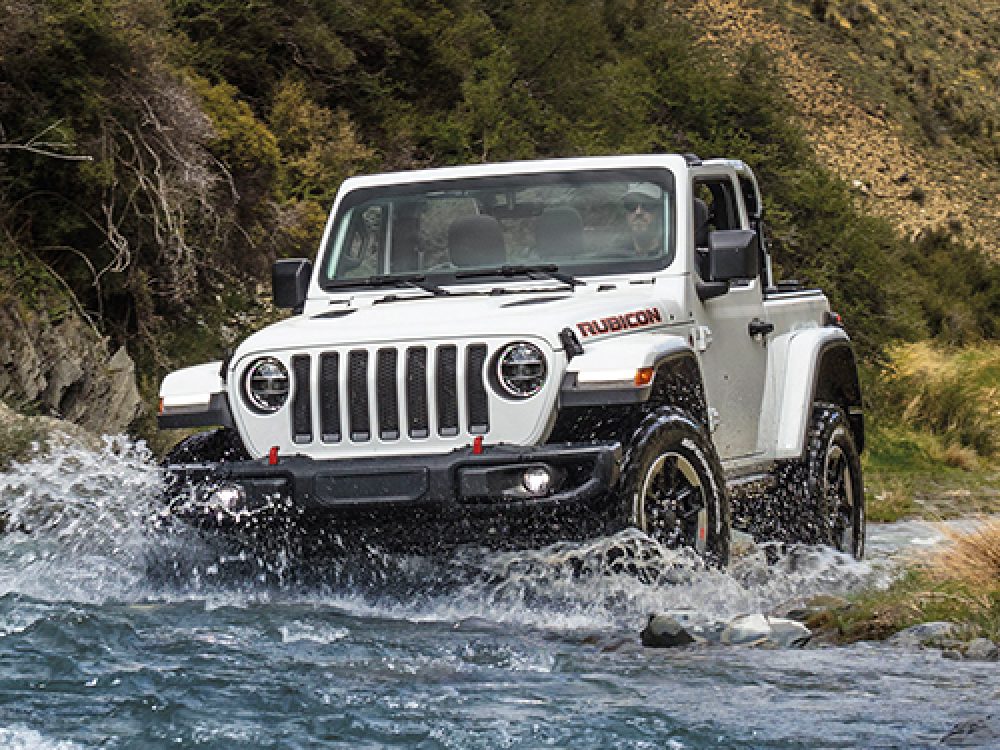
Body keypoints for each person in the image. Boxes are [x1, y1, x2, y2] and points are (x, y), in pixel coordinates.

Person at [621, 182, 663, 257]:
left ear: (660, 212)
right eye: (631, 205)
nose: (638, 212)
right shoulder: (616, 255)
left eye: (647, 205)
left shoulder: (671, 253)